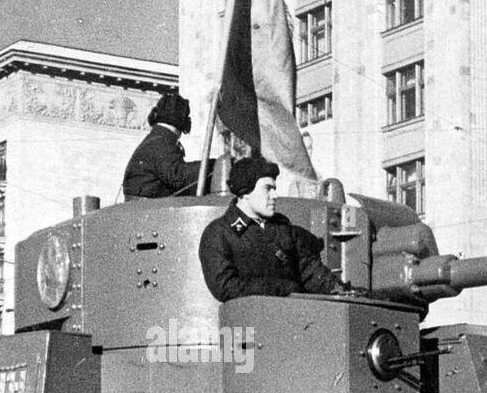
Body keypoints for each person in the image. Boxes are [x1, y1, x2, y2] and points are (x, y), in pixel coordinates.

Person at [199, 155, 348, 302]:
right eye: (267, 189)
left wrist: (340, 291)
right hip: (248, 320)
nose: (275, 195)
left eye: (274, 189)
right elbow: (226, 287)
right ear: (245, 192)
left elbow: (310, 271)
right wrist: (282, 288)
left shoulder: (283, 229)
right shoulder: (219, 233)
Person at [122, 92, 206, 200]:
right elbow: (178, 178)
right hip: (150, 210)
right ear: (182, 121)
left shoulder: (156, 139)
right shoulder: (163, 143)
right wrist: (212, 166)